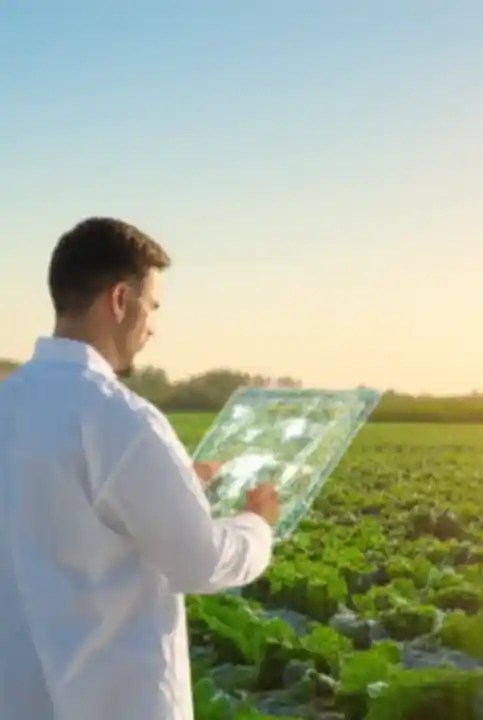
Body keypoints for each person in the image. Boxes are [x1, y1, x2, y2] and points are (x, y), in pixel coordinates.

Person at [0, 217, 280, 719]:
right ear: (120, 300)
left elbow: (60, 509)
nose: (152, 325)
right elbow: (200, 560)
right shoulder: (121, 417)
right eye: (151, 306)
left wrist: (176, 484)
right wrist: (256, 526)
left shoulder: (9, 402)